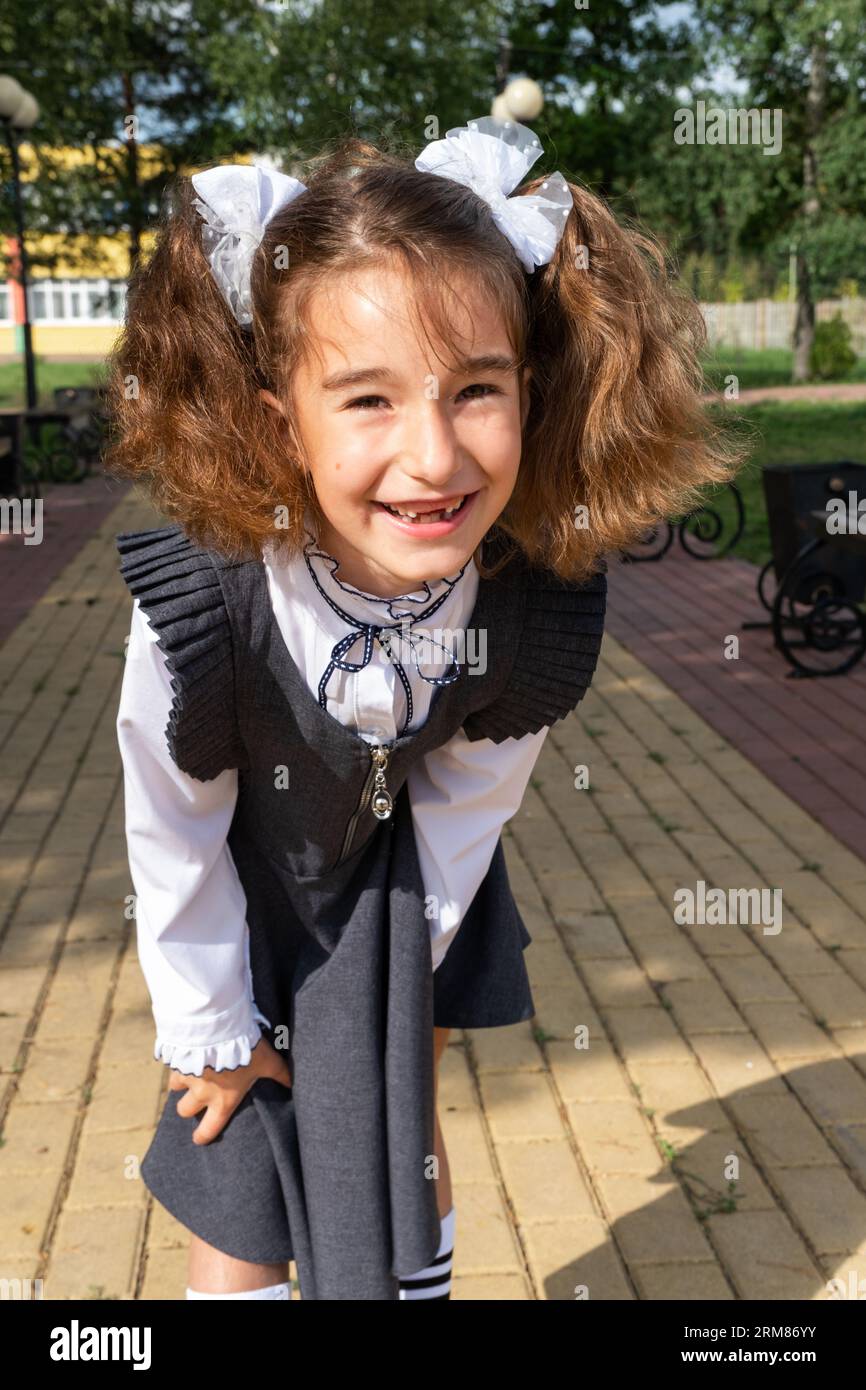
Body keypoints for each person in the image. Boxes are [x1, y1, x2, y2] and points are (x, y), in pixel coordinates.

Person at [105, 116, 743, 1301]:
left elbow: (470, 796)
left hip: (414, 884)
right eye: (366, 400)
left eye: (475, 390)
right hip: (243, 892)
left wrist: (383, 986)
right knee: (233, 1140)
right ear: (273, 412)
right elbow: (173, 812)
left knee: (393, 1109)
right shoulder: (207, 607)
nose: (434, 455)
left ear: (531, 385)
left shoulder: (528, 598)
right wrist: (213, 1016)